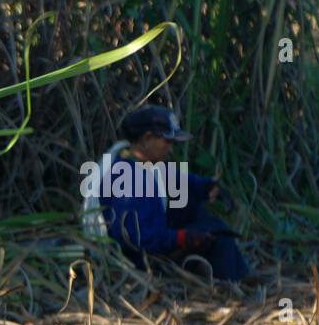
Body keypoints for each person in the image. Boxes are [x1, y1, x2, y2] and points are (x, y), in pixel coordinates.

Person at [81, 105, 250, 281]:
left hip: (149, 242)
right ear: (147, 138)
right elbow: (134, 237)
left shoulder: (136, 161)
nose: (170, 149)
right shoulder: (127, 178)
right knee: (218, 234)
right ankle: (231, 288)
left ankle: (239, 279)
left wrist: (208, 187)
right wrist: (181, 238)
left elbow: (178, 181)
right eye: (167, 142)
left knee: (197, 211)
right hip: (135, 262)